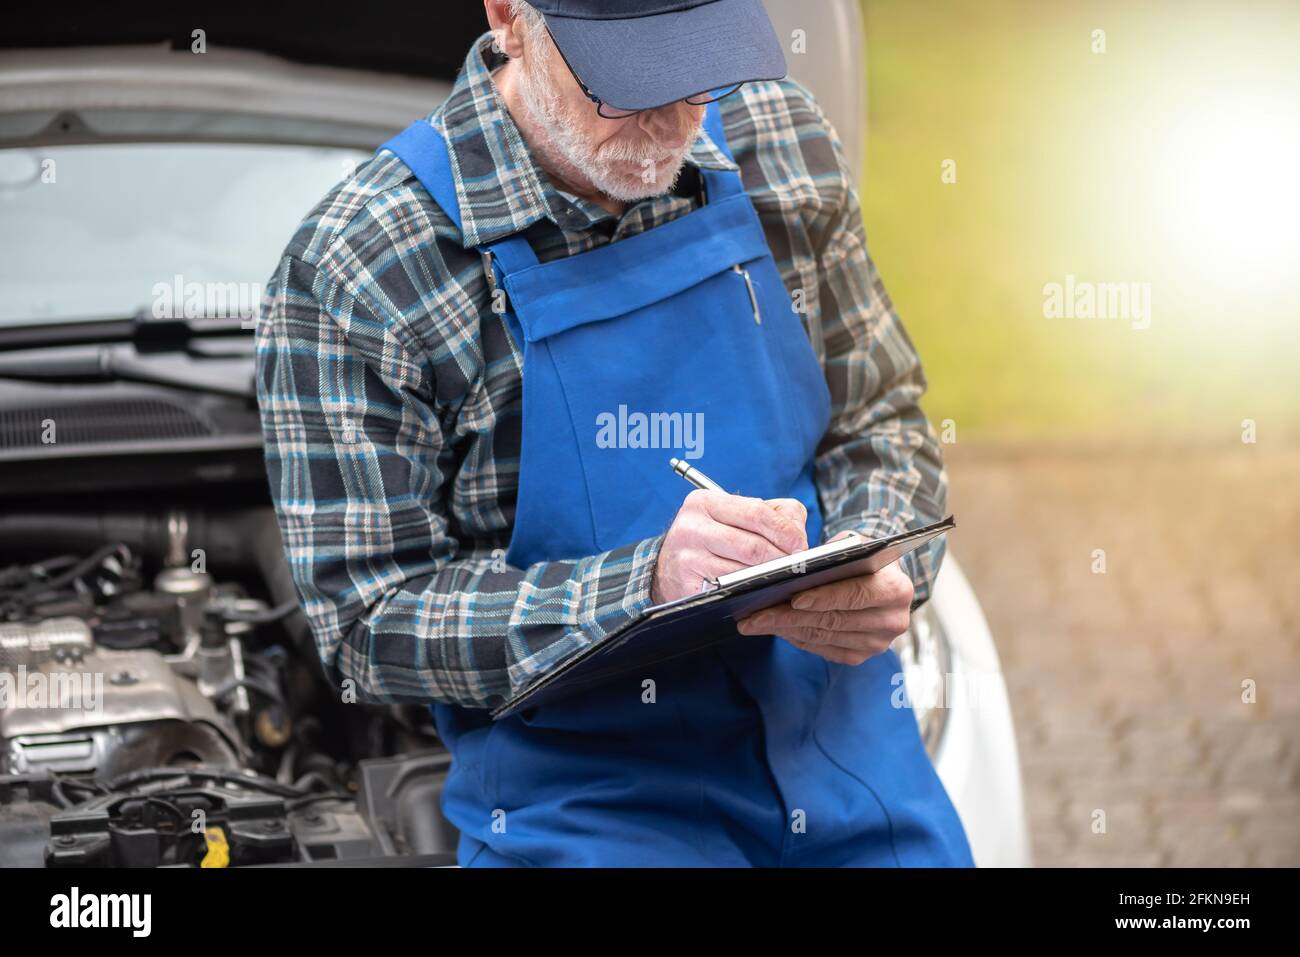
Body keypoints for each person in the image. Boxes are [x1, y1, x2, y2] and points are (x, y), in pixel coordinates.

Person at [255, 0, 973, 867]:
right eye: (626, 83)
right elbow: (368, 623)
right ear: (508, 18)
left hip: (859, 771)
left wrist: (887, 559)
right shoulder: (363, 266)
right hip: (591, 813)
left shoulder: (780, 138)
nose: (670, 125)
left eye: (698, 74)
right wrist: (647, 585)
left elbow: (879, 412)